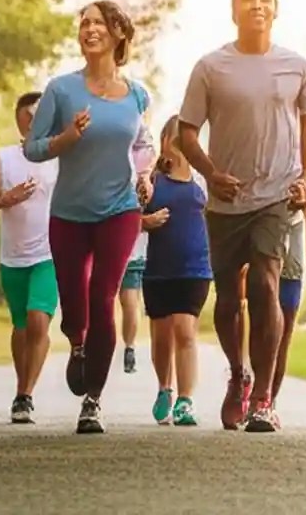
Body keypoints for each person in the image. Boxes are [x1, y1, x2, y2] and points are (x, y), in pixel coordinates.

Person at [179, 0, 306, 433]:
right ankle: (237, 373)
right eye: (247, 1)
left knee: (265, 283)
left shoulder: (295, 65)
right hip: (226, 200)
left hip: (275, 195)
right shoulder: (210, 66)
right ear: (233, 11)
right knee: (226, 301)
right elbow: (187, 131)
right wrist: (209, 173)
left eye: (264, 0)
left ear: (276, 10)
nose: (256, 7)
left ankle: (263, 395)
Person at [25, 0, 155, 435]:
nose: (89, 29)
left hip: (120, 208)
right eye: (84, 23)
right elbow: (33, 147)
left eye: (99, 22)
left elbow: (143, 145)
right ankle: (77, 345)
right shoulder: (61, 90)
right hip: (69, 212)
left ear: (119, 33)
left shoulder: (137, 93)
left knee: (104, 297)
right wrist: (67, 137)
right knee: (75, 307)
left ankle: (93, 400)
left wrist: (146, 175)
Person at [0, 91, 59, 424]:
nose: (35, 121)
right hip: (13, 257)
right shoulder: (3, 158)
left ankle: (25, 395)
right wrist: (3, 199)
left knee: (38, 319)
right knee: (22, 326)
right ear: (20, 120)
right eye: (30, 115)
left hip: (50, 255)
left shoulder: (62, 158)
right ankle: (21, 385)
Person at [141, 115, 212, 426]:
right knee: (161, 337)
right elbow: (129, 218)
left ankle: (185, 400)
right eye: (178, 136)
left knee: (185, 330)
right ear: (166, 141)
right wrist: (146, 221)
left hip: (195, 267)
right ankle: (164, 388)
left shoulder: (203, 180)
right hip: (158, 269)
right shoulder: (151, 181)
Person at [269, 194, 306, 421]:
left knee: (284, 334)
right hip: (265, 245)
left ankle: (268, 401)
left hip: (292, 265)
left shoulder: (299, 171)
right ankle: (249, 387)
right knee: (264, 330)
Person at [120, 122, 154, 374]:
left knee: (110, 297)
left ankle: (94, 346)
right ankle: (129, 346)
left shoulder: (112, 164)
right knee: (130, 299)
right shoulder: (147, 172)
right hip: (136, 246)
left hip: (124, 242)